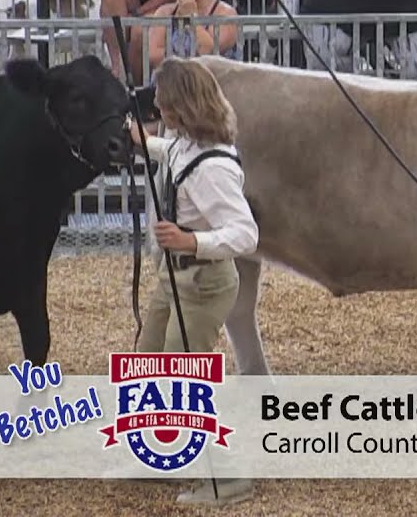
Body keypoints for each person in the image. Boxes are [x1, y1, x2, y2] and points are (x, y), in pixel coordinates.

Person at [127, 57, 258, 505]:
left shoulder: (214, 168)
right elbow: (175, 156)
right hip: (174, 276)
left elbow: (245, 233)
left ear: (182, 108)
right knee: (148, 363)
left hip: (202, 283)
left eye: (162, 104)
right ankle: (158, 458)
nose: (157, 109)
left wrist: (190, 239)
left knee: (185, 377)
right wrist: (147, 143)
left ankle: (228, 477)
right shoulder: (184, 141)